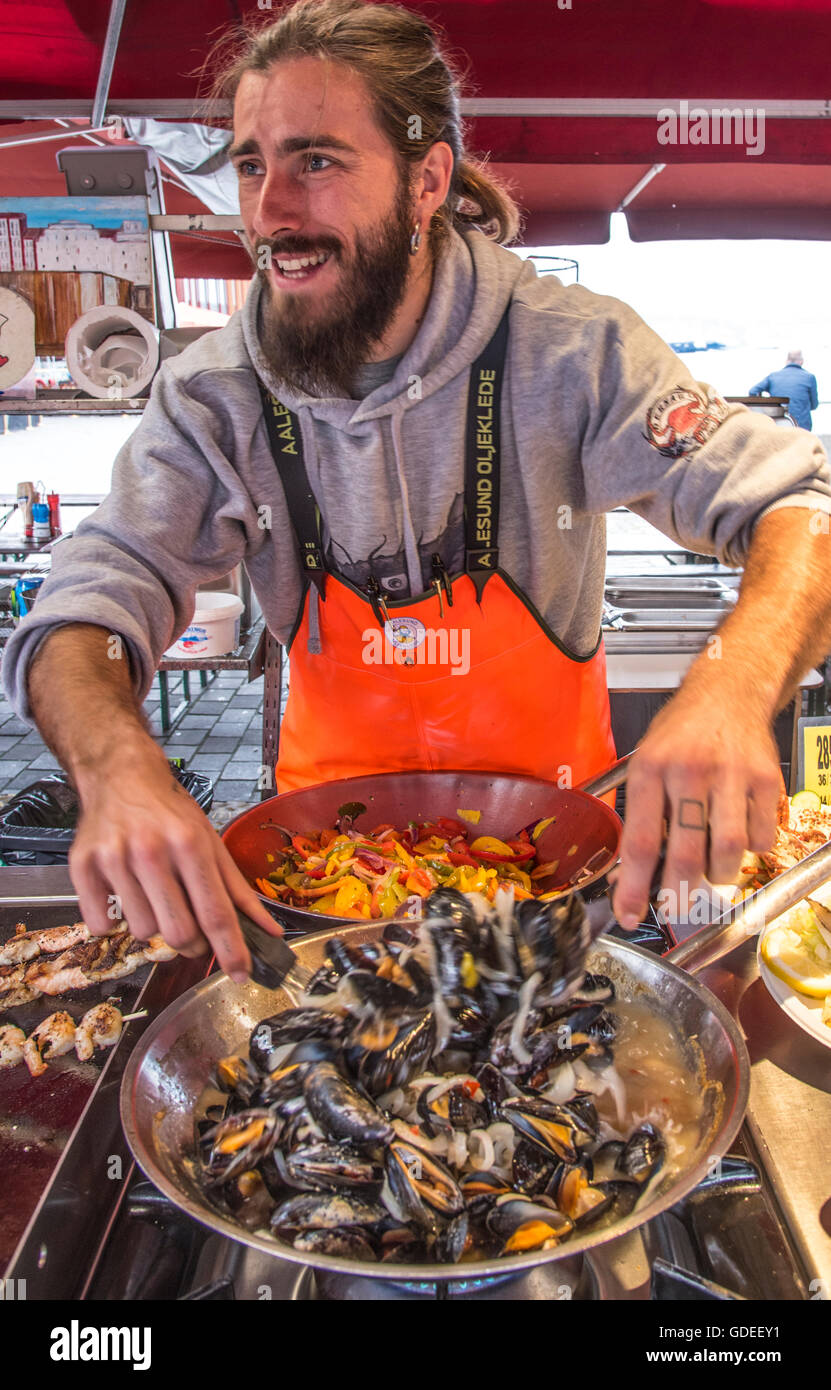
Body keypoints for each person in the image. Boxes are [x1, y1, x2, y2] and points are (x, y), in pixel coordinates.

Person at [4, 0, 831, 981]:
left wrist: (734, 690)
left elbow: (801, 507)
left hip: (556, 877)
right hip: (323, 891)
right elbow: (91, 599)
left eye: (317, 160)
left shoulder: (574, 350)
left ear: (426, 177)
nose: (270, 208)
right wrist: (115, 763)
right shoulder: (211, 395)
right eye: (252, 164)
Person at [750, 350, 819, 431]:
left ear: (787, 361)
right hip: (802, 426)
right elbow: (814, 405)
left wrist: (766, 408)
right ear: (801, 361)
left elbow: (753, 391)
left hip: (778, 423)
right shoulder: (809, 377)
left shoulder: (773, 376)